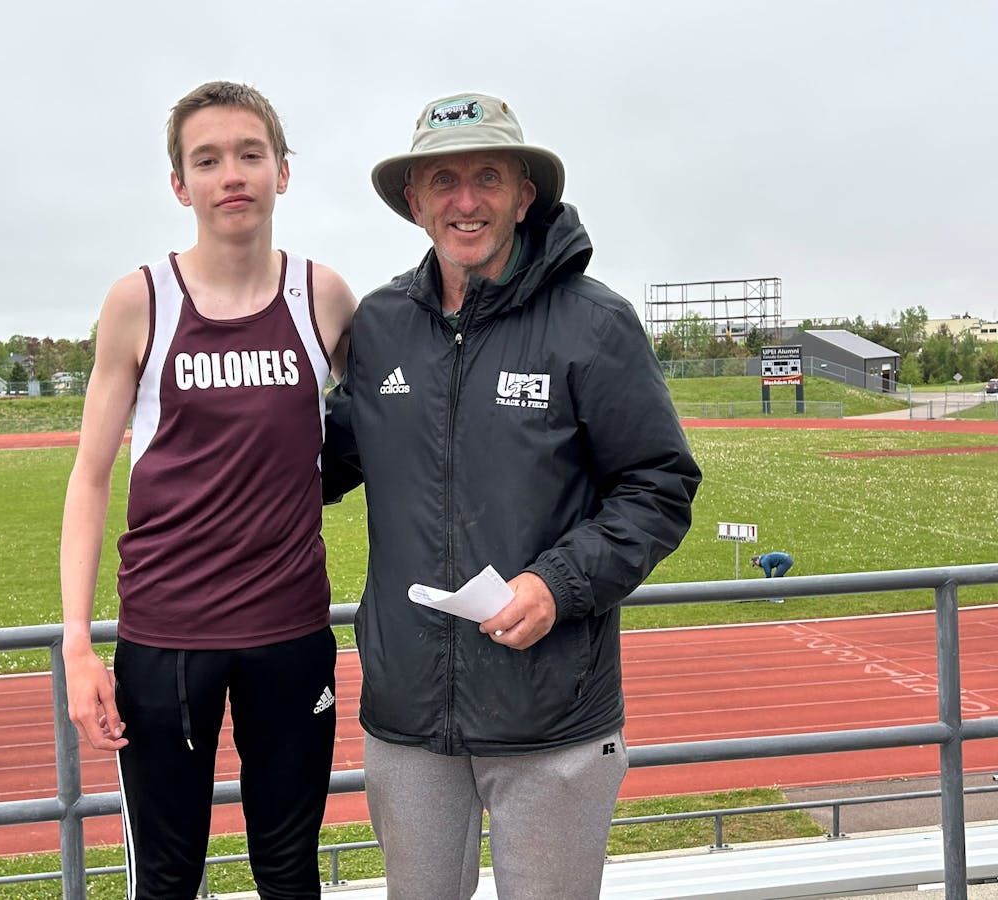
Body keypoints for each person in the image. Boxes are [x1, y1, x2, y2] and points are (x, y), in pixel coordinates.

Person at [322, 93, 702, 899]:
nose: (466, 200)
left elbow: (660, 486)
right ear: (414, 203)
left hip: (553, 715)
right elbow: (324, 463)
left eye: (487, 176)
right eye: (444, 181)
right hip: (410, 716)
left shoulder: (594, 323)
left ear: (524, 193)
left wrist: (555, 585)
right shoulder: (383, 324)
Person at [60, 81, 356, 900]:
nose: (233, 174)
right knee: (165, 879)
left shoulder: (323, 298)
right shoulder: (139, 302)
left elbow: (391, 434)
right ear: (179, 185)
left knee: (289, 873)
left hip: (290, 634)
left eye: (251, 155)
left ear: (283, 173)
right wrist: (79, 646)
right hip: (165, 642)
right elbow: (89, 480)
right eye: (209, 158)